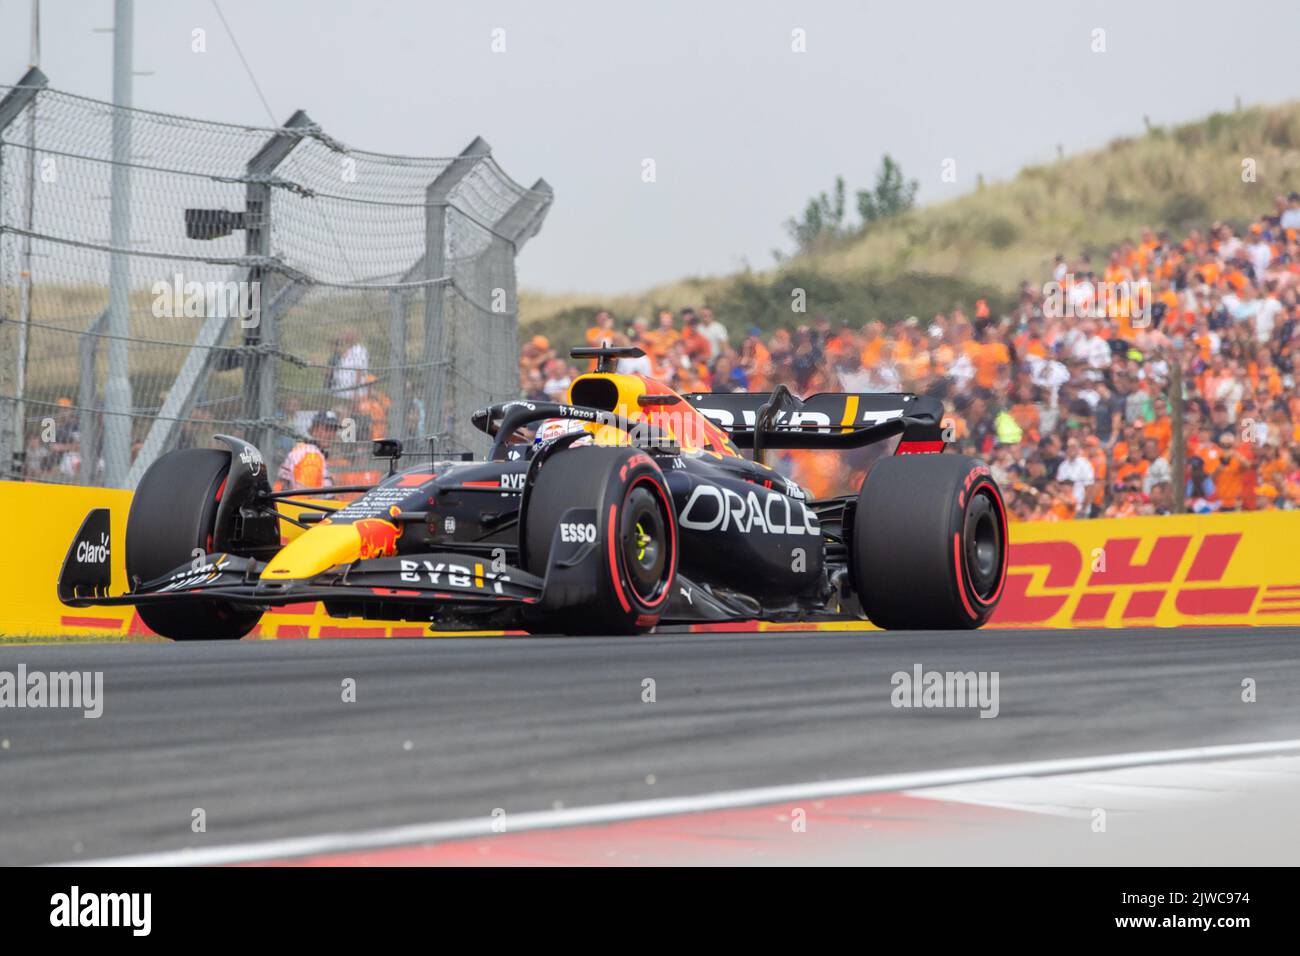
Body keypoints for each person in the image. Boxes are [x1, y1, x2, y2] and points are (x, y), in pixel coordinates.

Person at [278, 411, 337, 491]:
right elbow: (304, 497)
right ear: (314, 430)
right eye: (326, 429)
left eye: (334, 429)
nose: (330, 434)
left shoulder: (306, 449)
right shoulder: (312, 456)